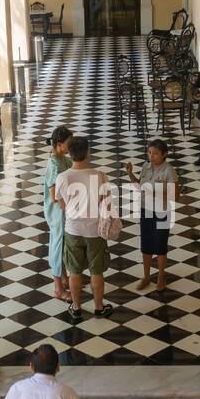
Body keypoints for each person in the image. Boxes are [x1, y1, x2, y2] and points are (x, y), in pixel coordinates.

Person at [54, 135, 115, 321]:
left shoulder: (63, 177)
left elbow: (61, 203)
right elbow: (106, 202)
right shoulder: (99, 175)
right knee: (97, 271)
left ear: (70, 154)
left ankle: (77, 307)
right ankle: (98, 307)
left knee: (74, 271)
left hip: (72, 229)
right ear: (88, 152)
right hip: (94, 231)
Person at [125, 138, 180, 293]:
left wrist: (154, 193)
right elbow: (139, 187)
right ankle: (146, 276)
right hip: (145, 210)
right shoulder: (145, 167)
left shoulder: (168, 170)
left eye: (155, 153)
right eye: (149, 152)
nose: (151, 156)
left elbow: (175, 195)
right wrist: (130, 173)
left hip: (162, 211)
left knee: (160, 245)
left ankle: (161, 276)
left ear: (164, 154)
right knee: (147, 244)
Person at [42, 125, 73, 302]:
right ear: (60, 144)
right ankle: (58, 288)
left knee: (62, 243)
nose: (71, 146)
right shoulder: (54, 163)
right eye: (69, 143)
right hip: (57, 211)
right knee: (58, 244)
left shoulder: (62, 159)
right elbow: (54, 196)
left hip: (63, 210)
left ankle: (63, 278)